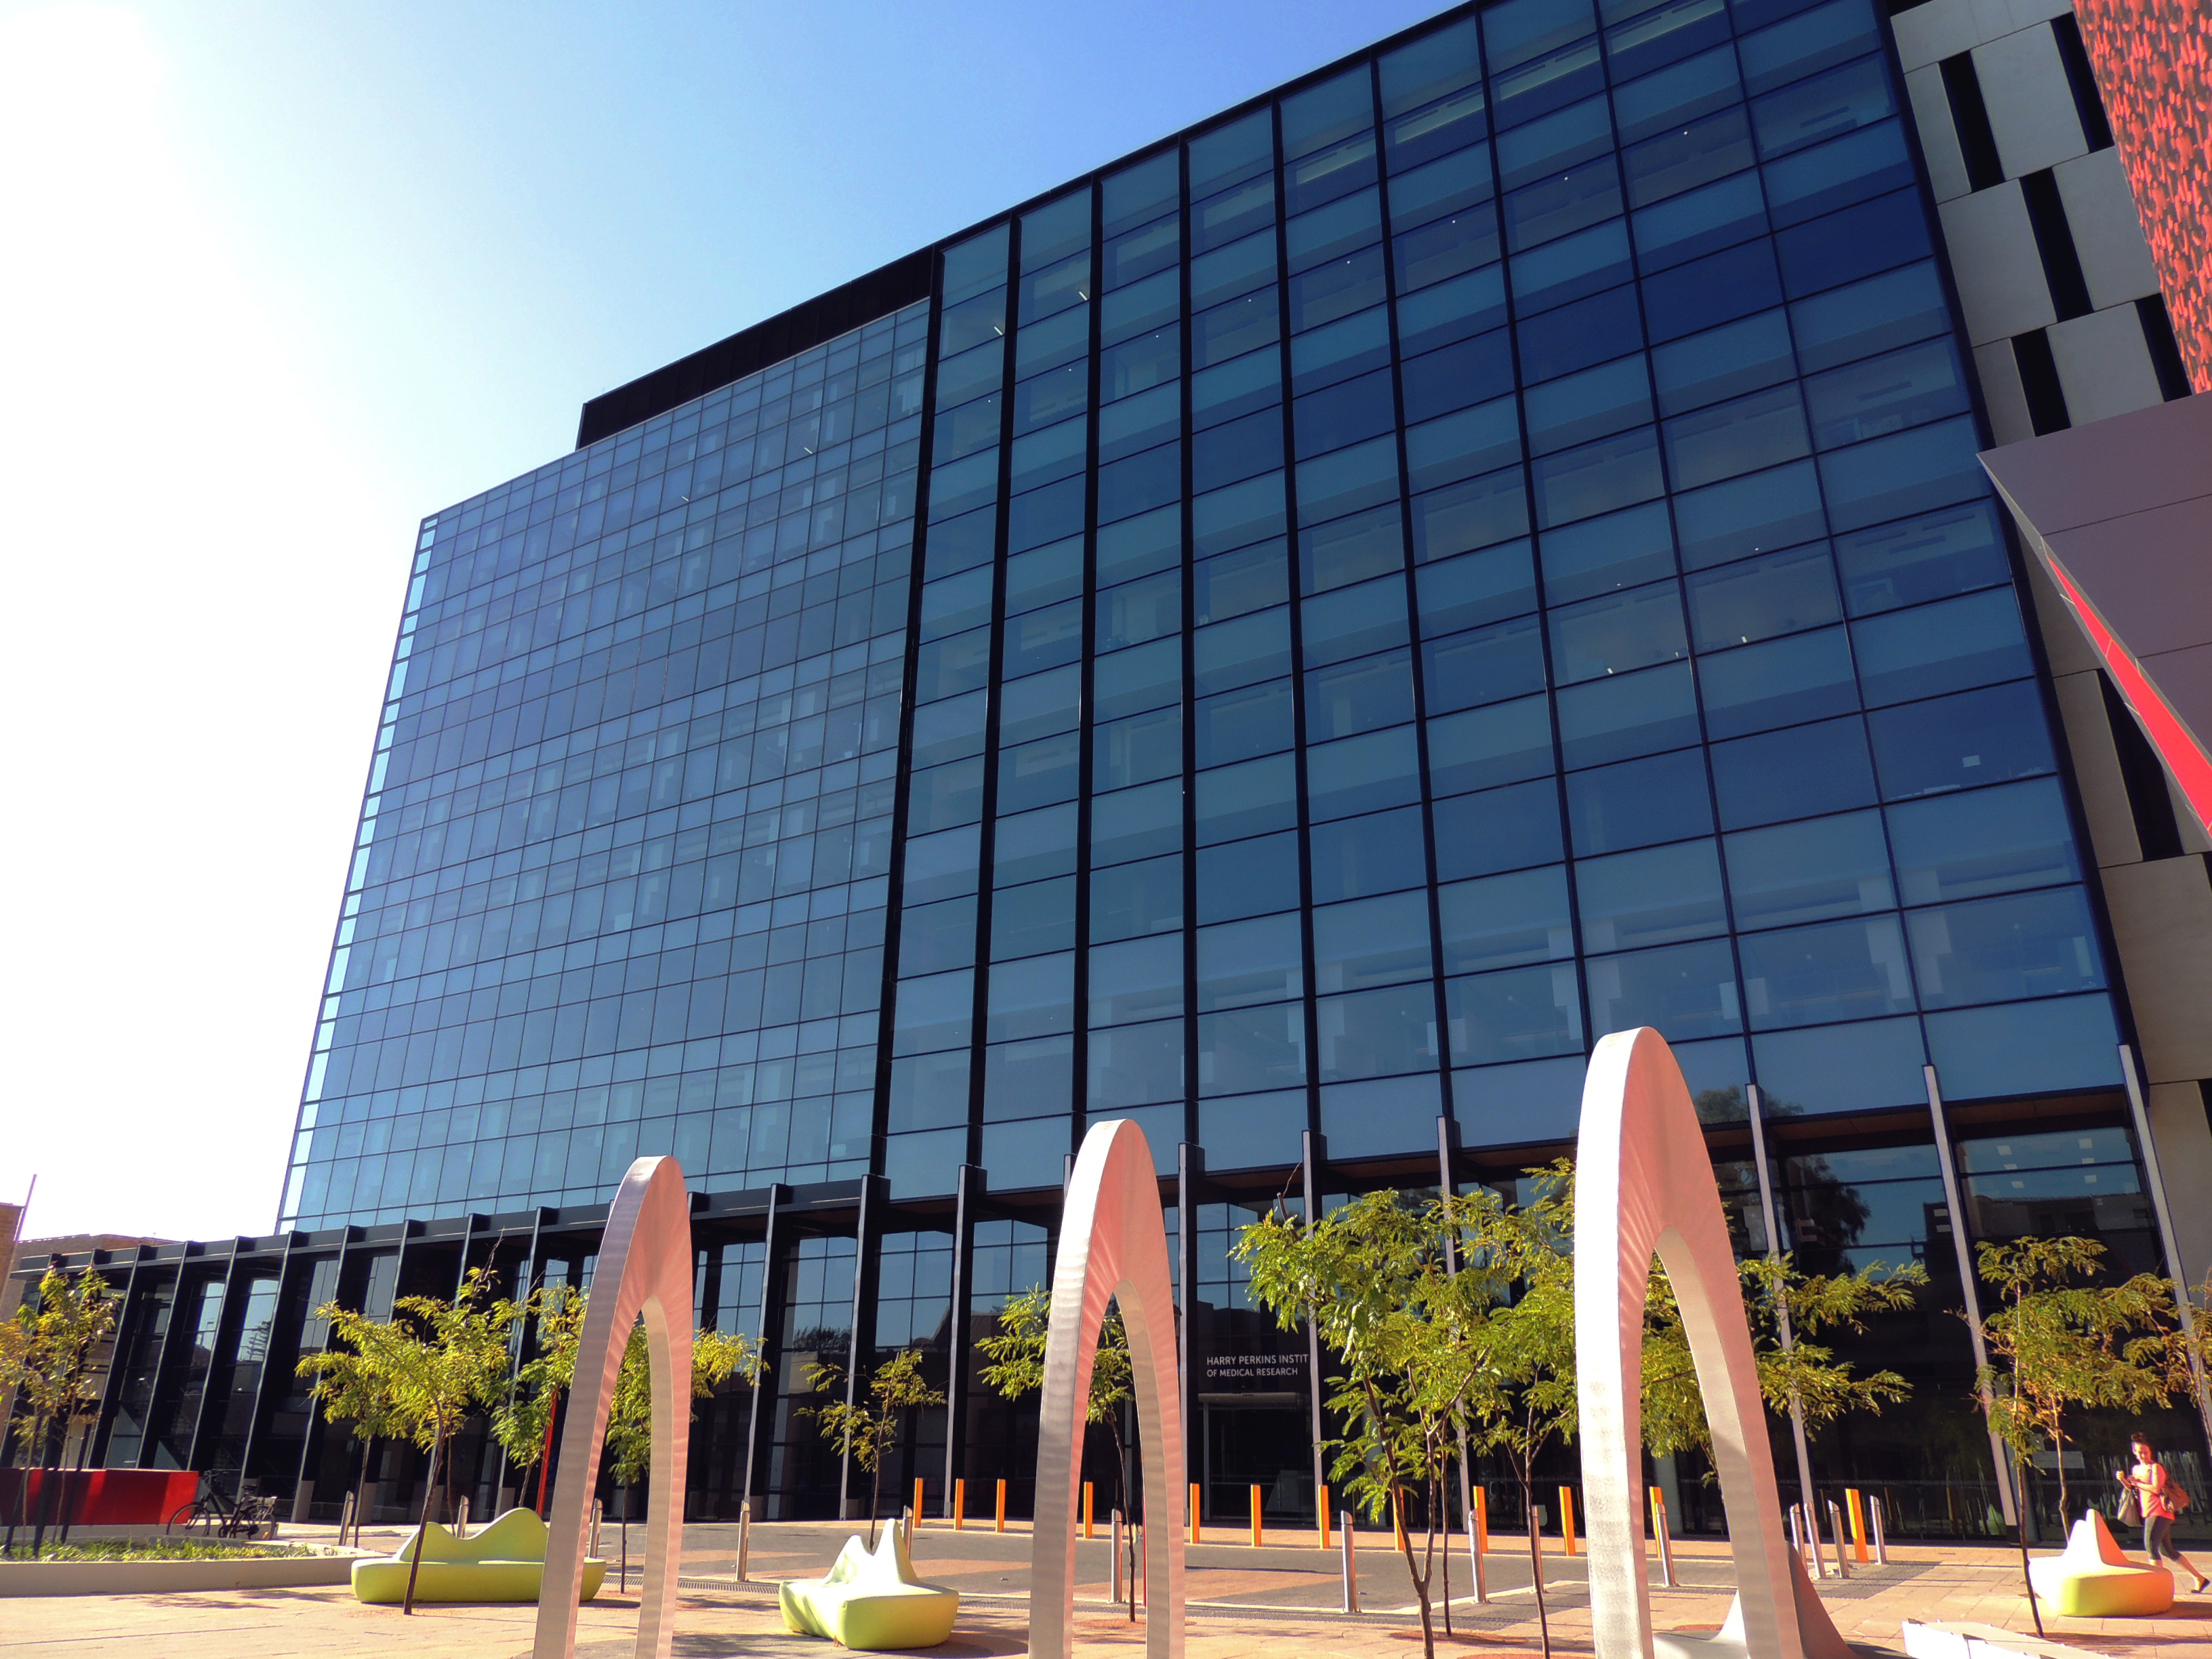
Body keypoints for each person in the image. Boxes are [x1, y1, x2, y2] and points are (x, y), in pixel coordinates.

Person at [2118, 1435, 2208, 1592]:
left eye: (2145, 1452)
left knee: (2150, 1546)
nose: (2143, 1455)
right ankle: (2199, 1578)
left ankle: (2156, 1586)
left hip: (2160, 1511)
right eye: (2139, 1452)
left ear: (2150, 1451)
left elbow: (2156, 1488)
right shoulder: (2136, 1469)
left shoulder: (2156, 1468)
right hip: (2149, 1512)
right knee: (2166, 1550)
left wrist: (2138, 1483)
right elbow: (2134, 1490)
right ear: (2134, 1452)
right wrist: (2125, 1482)